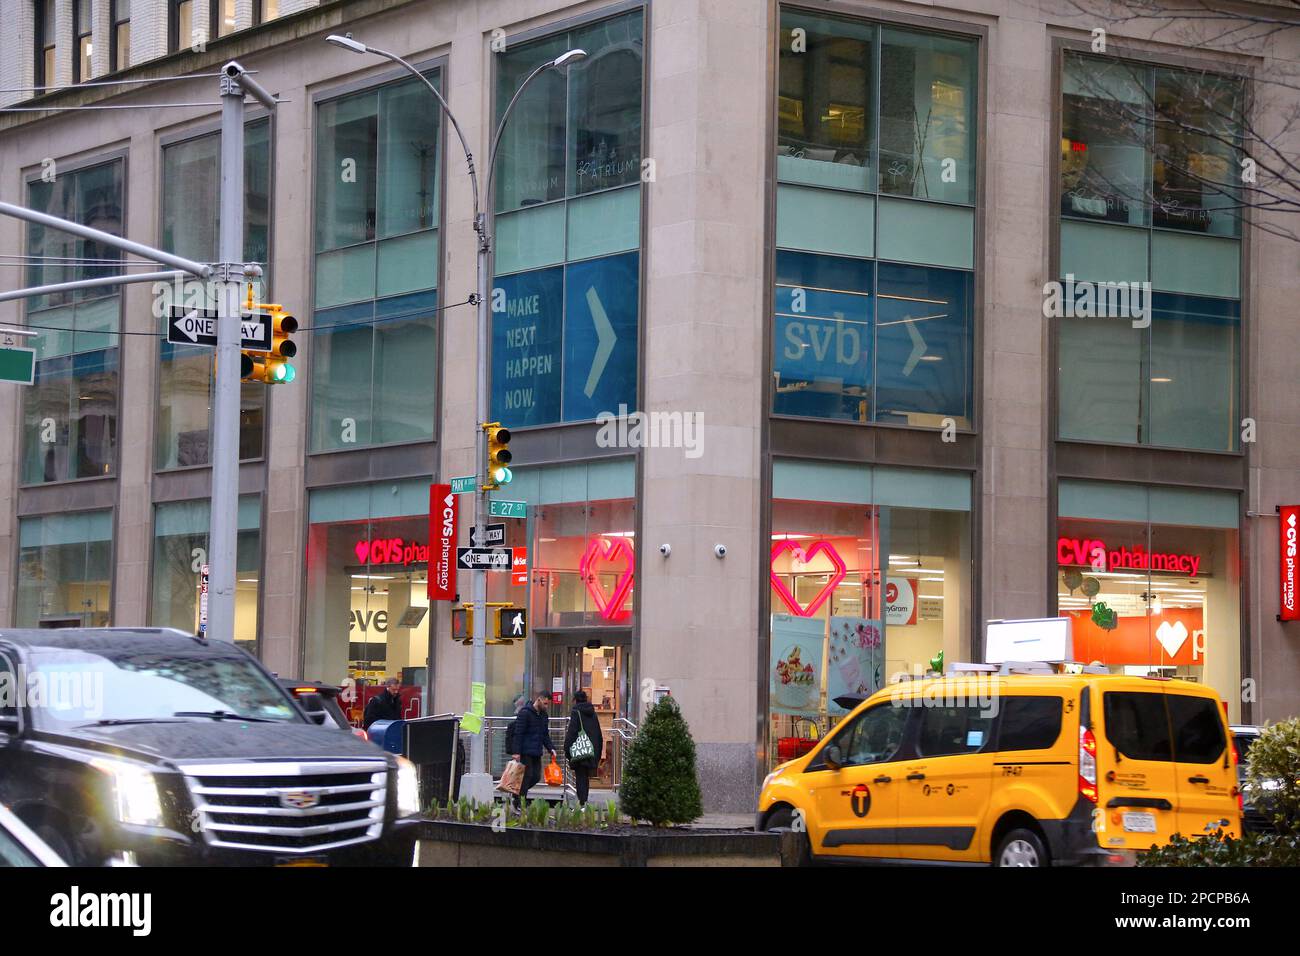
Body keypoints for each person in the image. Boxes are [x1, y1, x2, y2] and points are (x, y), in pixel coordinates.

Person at [511, 692, 555, 807]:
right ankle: (520, 801)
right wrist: (516, 752)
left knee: (536, 776)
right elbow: (518, 733)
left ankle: (517, 794)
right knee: (527, 776)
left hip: (536, 751)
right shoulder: (525, 713)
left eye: (548, 704)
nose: (546, 706)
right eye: (545, 703)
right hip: (525, 751)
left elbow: (545, 734)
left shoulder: (543, 715)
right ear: (538, 699)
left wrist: (551, 748)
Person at [564, 691, 604, 806]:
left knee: (580, 777)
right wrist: (598, 752)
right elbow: (598, 733)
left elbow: (572, 732)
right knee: (585, 778)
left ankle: (582, 803)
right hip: (591, 750)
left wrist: (567, 748)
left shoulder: (576, 712)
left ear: (575, 700)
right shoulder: (593, 713)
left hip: (580, 749)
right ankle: (584, 802)